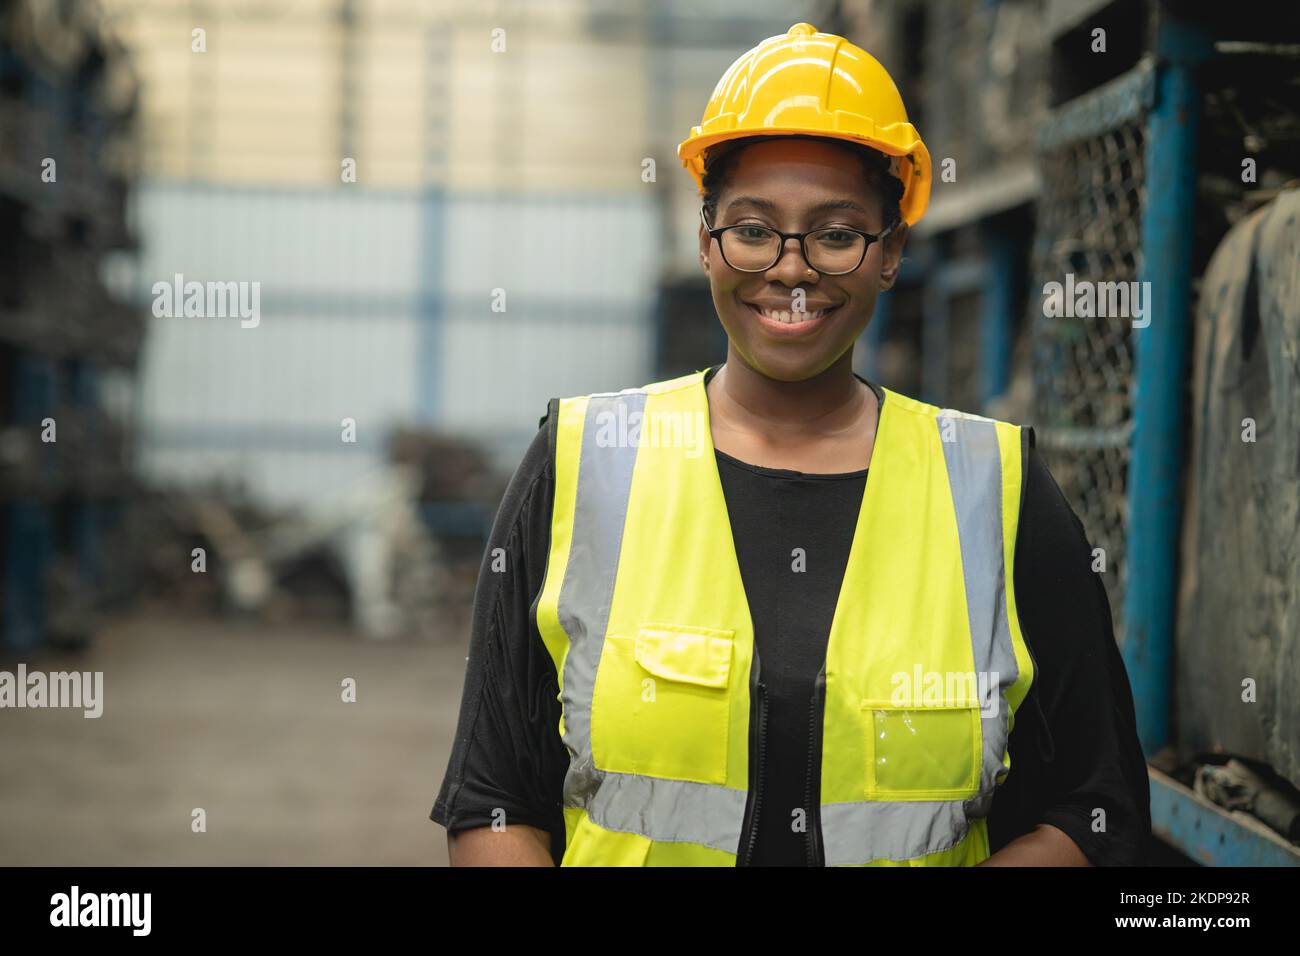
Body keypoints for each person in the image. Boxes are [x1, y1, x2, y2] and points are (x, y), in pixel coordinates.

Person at [431, 22, 1150, 866]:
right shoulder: (584, 459)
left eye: (838, 234)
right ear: (706, 242)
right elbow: (493, 799)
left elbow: (1093, 805)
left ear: (891, 255)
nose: (792, 268)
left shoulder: (996, 487)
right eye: (753, 228)